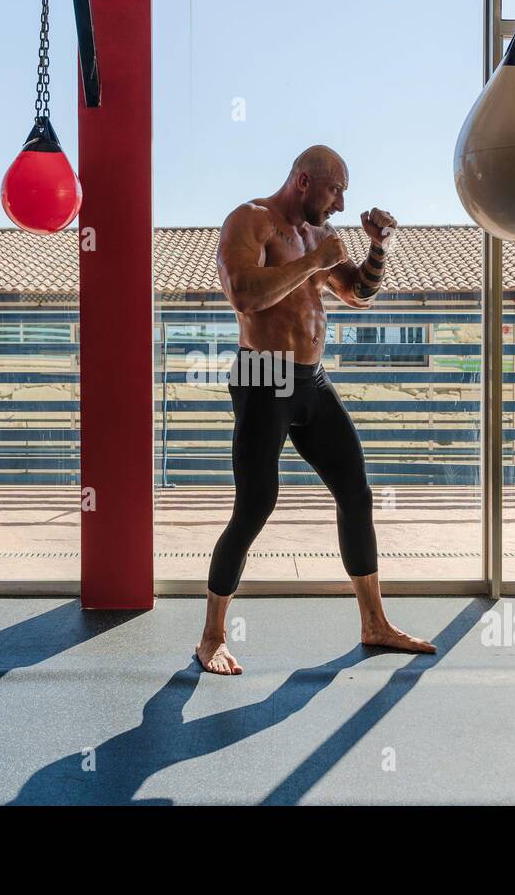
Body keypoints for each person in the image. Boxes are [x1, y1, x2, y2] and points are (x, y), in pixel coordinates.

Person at [196, 145, 437, 675]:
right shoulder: (252, 219)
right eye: (335, 190)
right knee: (255, 504)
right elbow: (242, 294)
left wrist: (377, 248)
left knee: (356, 490)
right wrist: (311, 264)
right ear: (304, 181)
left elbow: (357, 293)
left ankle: (374, 623)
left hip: (310, 377)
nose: (341, 203)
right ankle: (211, 636)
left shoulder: (318, 236)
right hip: (263, 375)